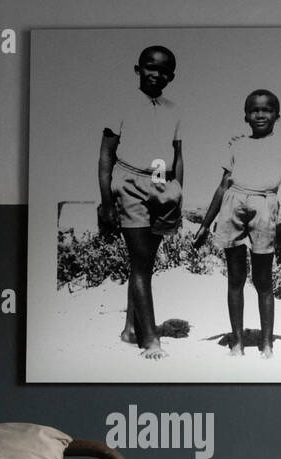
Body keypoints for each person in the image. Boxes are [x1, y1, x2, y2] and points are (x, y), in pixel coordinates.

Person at [194, 90, 281, 358]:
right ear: (246, 116)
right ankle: (237, 341)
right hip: (233, 204)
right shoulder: (237, 145)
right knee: (235, 277)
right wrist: (206, 224)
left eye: (266, 110)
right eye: (254, 110)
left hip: (265, 206)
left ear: (277, 115)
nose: (260, 115)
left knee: (263, 280)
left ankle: (267, 343)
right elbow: (223, 185)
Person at [98, 45, 183, 359]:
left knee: (145, 262)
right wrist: (107, 201)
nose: (156, 74)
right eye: (150, 67)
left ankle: (130, 329)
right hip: (129, 183)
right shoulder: (120, 103)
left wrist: (177, 193)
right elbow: (106, 155)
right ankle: (150, 340)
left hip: (162, 185)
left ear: (170, 76)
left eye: (163, 70)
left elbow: (178, 155)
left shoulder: (174, 109)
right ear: (138, 69)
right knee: (140, 262)